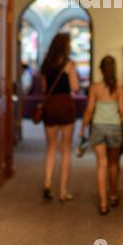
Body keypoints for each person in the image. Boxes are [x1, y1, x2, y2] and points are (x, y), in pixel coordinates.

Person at [80, 55, 123, 215]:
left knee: (101, 164)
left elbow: (89, 110)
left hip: (98, 128)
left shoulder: (95, 88)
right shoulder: (119, 89)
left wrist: (82, 128)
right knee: (114, 163)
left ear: (101, 70)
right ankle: (114, 195)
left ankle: (103, 204)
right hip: (115, 128)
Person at [40, 32, 80, 202]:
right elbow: (75, 87)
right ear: (66, 46)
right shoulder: (69, 64)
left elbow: (44, 89)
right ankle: (63, 191)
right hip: (65, 104)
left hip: (50, 106)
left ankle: (47, 183)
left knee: (51, 147)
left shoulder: (45, 65)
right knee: (65, 149)